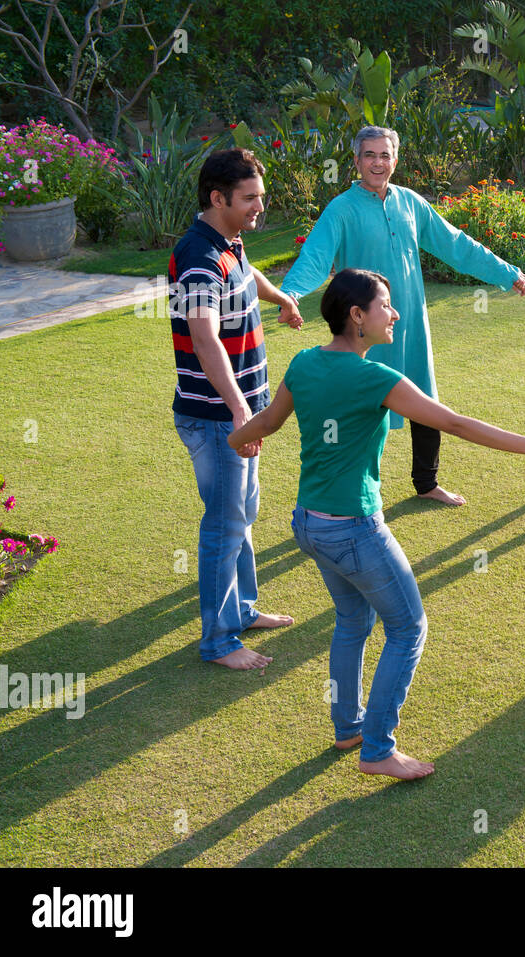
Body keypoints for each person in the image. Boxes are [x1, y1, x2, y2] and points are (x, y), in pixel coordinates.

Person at [228, 269, 525, 780]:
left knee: (353, 621)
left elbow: (266, 423)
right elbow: (454, 423)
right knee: (408, 626)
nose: (394, 314)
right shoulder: (375, 379)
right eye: (385, 305)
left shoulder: (304, 364)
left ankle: (348, 726)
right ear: (357, 316)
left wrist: (235, 442)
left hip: (309, 525)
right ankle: (377, 749)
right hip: (353, 529)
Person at [280, 125, 525, 508]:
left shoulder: (410, 202)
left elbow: (455, 244)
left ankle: (427, 483)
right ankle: (351, 491)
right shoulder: (341, 210)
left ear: (395, 160)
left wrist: (504, 272)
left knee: (426, 401)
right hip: (363, 330)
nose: (378, 163)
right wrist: (291, 295)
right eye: (370, 155)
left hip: (408, 321)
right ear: (356, 160)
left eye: (385, 155)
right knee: (363, 411)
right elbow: (316, 255)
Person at [171, 147, 304, 671]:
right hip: (216, 417)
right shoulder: (199, 258)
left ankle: (243, 610)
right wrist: (240, 414)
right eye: (250, 199)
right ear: (217, 197)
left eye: (261, 198)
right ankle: (220, 641)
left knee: (242, 513)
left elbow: (247, 277)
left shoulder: (228, 240)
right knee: (225, 524)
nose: (259, 208)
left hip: (238, 413)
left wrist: (282, 299)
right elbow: (205, 340)